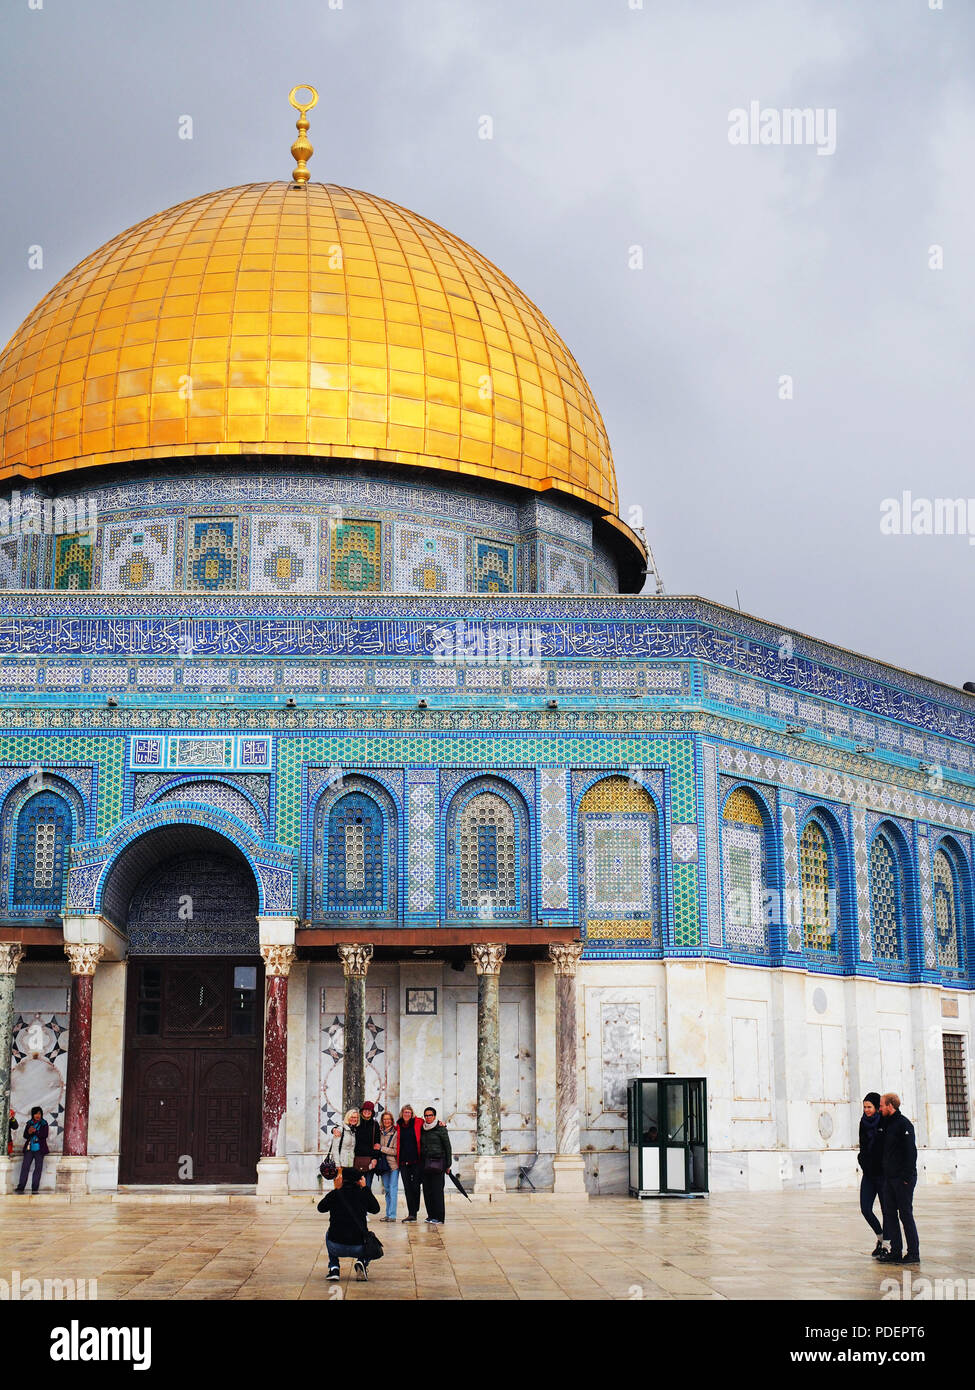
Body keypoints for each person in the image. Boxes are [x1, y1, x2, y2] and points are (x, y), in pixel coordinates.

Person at [877, 1093, 919, 1265]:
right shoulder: (886, 1124)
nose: (879, 1108)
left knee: (905, 1215)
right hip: (889, 1178)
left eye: (881, 1105)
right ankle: (895, 1251)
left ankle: (913, 1253)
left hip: (902, 1179)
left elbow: (911, 1152)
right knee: (890, 1215)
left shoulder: (904, 1124)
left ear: (890, 1106)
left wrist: (906, 1177)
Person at [318, 1166, 380, 1282]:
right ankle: (362, 1261)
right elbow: (376, 1209)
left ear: (342, 1179)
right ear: (359, 1180)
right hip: (359, 1248)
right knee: (369, 1237)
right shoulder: (363, 1194)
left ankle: (334, 1268)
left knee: (329, 1233)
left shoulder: (336, 1194)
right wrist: (366, 1188)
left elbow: (320, 1208)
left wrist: (336, 1189)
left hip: (336, 1246)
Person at [856, 1092, 886, 1256]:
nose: (867, 1110)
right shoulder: (863, 1122)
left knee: (886, 1210)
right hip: (869, 1174)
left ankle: (886, 1246)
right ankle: (880, 1237)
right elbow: (863, 1146)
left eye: (869, 1107)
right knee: (865, 1208)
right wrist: (862, 1161)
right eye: (865, 1107)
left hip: (882, 1174)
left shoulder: (884, 1122)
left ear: (876, 1107)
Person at [420, 1105, 452, 1227]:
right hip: (425, 1163)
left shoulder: (441, 1128)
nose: (428, 1117)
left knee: (437, 1191)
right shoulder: (422, 1128)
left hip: (438, 1163)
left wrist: (448, 1164)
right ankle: (431, 1215)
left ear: (434, 1116)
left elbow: (447, 1147)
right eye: (426, 1115)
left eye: (430, 1115)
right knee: (427, 1191)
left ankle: (439, 1217)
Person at [396, 1104, 423, 1222]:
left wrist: (441, 1124)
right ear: (402, 1113)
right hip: (403, 1162)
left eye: (409, 1112)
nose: (407, 1114)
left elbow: (430, 1124)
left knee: (415, 1187)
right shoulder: (398, 1125)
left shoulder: (418, 1122)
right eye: (405, 1112)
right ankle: (412, 1213)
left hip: (416, 1161)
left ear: (412, 1114)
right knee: (407, 1188)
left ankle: (414, 1210)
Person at [15, 1106, 48, 1194]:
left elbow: (44, 1135)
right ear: (33, 1115)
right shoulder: (29, 1123)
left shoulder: (44, 1123)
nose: (38, 1115)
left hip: (39, 1150)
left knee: (38, 1169)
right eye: (36, 1113)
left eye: (39, 1114)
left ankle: (34, 1188)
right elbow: (25, 1136)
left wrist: (35, 1131)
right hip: (29, 1149)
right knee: (25, 1168)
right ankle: (21, 1187)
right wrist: (29, 1132)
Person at [353, 1101, 382, 1188]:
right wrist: (334, 1129)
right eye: (365, 1110)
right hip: (355, 1160)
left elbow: (377, 1143)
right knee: (356, 1187)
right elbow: (345, 1127)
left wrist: (375, 1158)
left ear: (372, 1112)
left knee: (367, 1187)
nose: (367, 1112)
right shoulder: (356, 1122)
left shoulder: (374, 1125)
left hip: (369, 1160)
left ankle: (366, 1202)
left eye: (369, 1110)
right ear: (362, 1111)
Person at [377, 1109, 399, 1221]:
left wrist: (381, 1148)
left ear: (392, 1120)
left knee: (393, 1189)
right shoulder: (380, 1133)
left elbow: (395, 1151)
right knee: (387, 1190)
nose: (386, 1121)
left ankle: (393, 1215)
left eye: (388, 1119)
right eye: (384, 1119)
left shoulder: (396, 1133)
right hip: (383, 1165)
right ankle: (388, 1214)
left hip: (393, 1165)